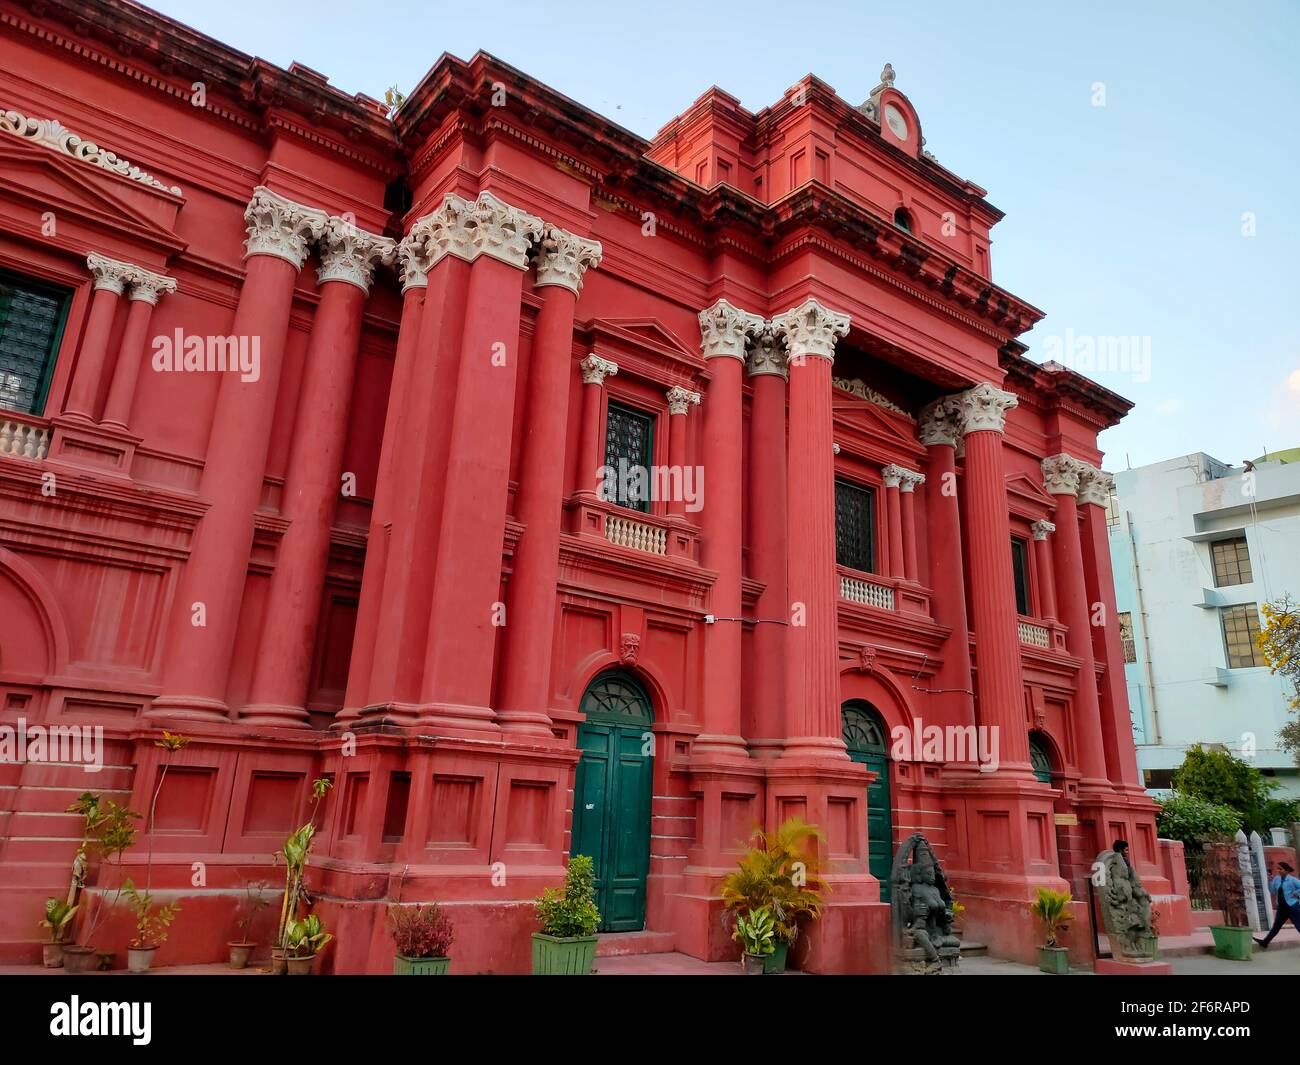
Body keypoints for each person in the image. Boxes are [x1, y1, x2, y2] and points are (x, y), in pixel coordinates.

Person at [1255, 861, 1300, 949]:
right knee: (1276, 926)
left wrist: (1296, 892)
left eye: (1281, 869)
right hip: (1282, 908)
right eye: (1278, 869)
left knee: (1299, 925)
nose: (1278, 871)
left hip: (1292, 907)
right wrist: (1270, 881)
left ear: (1287, 871)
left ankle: (1265, 942)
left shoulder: (1292, 880)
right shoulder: (1276, 879)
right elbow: (1272, 891)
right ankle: (1265, 942)